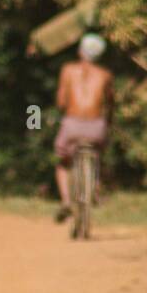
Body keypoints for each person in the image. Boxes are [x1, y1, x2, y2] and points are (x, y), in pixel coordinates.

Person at [52, 33, 113, 222]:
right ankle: (95, 185)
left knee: (63, 162)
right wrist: (108, 122)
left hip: (72, 125)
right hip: (96, 127)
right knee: (99, 152)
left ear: (80, 51)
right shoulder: (105, 75)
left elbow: (61, 101)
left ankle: (66, 201)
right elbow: (110, 104)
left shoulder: (68, 70)